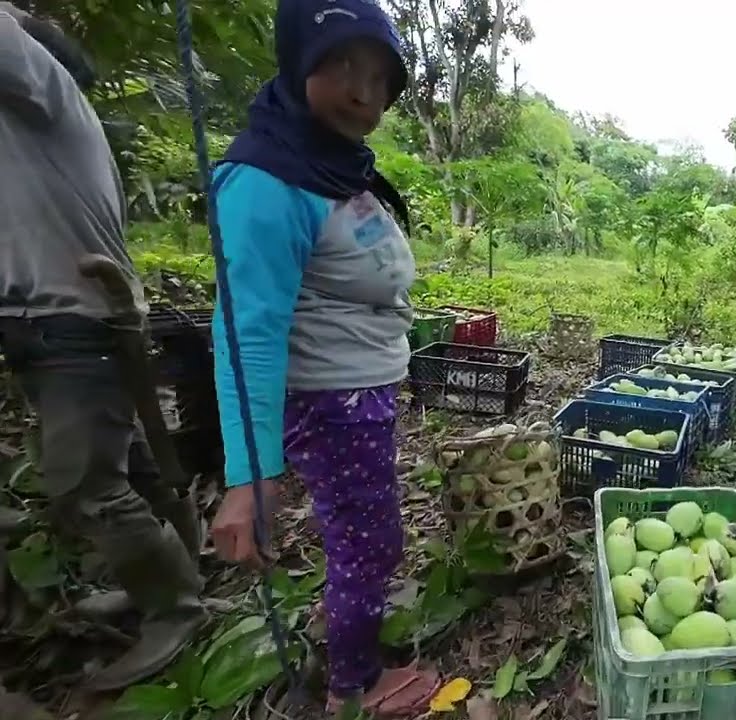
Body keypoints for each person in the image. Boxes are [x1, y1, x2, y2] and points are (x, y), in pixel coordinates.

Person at [204, 0, 429, 715]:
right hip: (332, 401)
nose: (364, 94)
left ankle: (341, 624)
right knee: (370, 544)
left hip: (359, 395)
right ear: (299, 58)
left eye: (379, 78)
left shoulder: (327, 165)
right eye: (342, 67)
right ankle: (352, 687)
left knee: (362, 532)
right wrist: (250, 474)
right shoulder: (268, 180)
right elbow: (249, 330)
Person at [0, 3, 207, 690]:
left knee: (84, 483)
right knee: (130, 462)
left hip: (79, 315)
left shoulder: (43, 85)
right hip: (52, 316)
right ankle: (174, 568)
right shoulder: (28, 126)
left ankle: (175, 604)